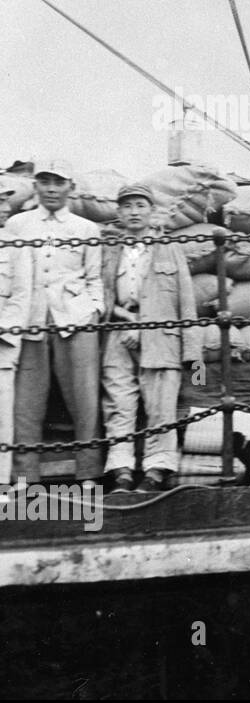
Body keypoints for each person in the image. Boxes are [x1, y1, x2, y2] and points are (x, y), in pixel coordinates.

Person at [7, 160, 104, 486]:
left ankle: (88, 472)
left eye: (58, 182)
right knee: (26, 400)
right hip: (30, 319)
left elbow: (95, 278)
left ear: (70, 187)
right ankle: (24, 475)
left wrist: (93, 310)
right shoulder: (18, 225)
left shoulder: (86, 229)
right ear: (35, 186)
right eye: (44, 181)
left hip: (75, 318)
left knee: (84, 396)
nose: (51, 188)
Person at [100, 184, 202, 492]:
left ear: (151, 211)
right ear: (119, 213)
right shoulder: (109, 251)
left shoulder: (170, 249)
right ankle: (121, 470)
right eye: (127, 206)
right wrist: (126, 318)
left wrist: (193, 357)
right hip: (119, 333)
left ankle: (157, 470)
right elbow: (101, 294)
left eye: (140, 205)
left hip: (161, 339)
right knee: (119, 403)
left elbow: (186, 301)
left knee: (161, 407)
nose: (133, 211)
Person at [0, 185, 33, 485]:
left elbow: (22, 294)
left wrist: (4, 327)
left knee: (1, 420)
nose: (5, 207)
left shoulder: (15, 246)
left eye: (4, 200)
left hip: (2, 346)